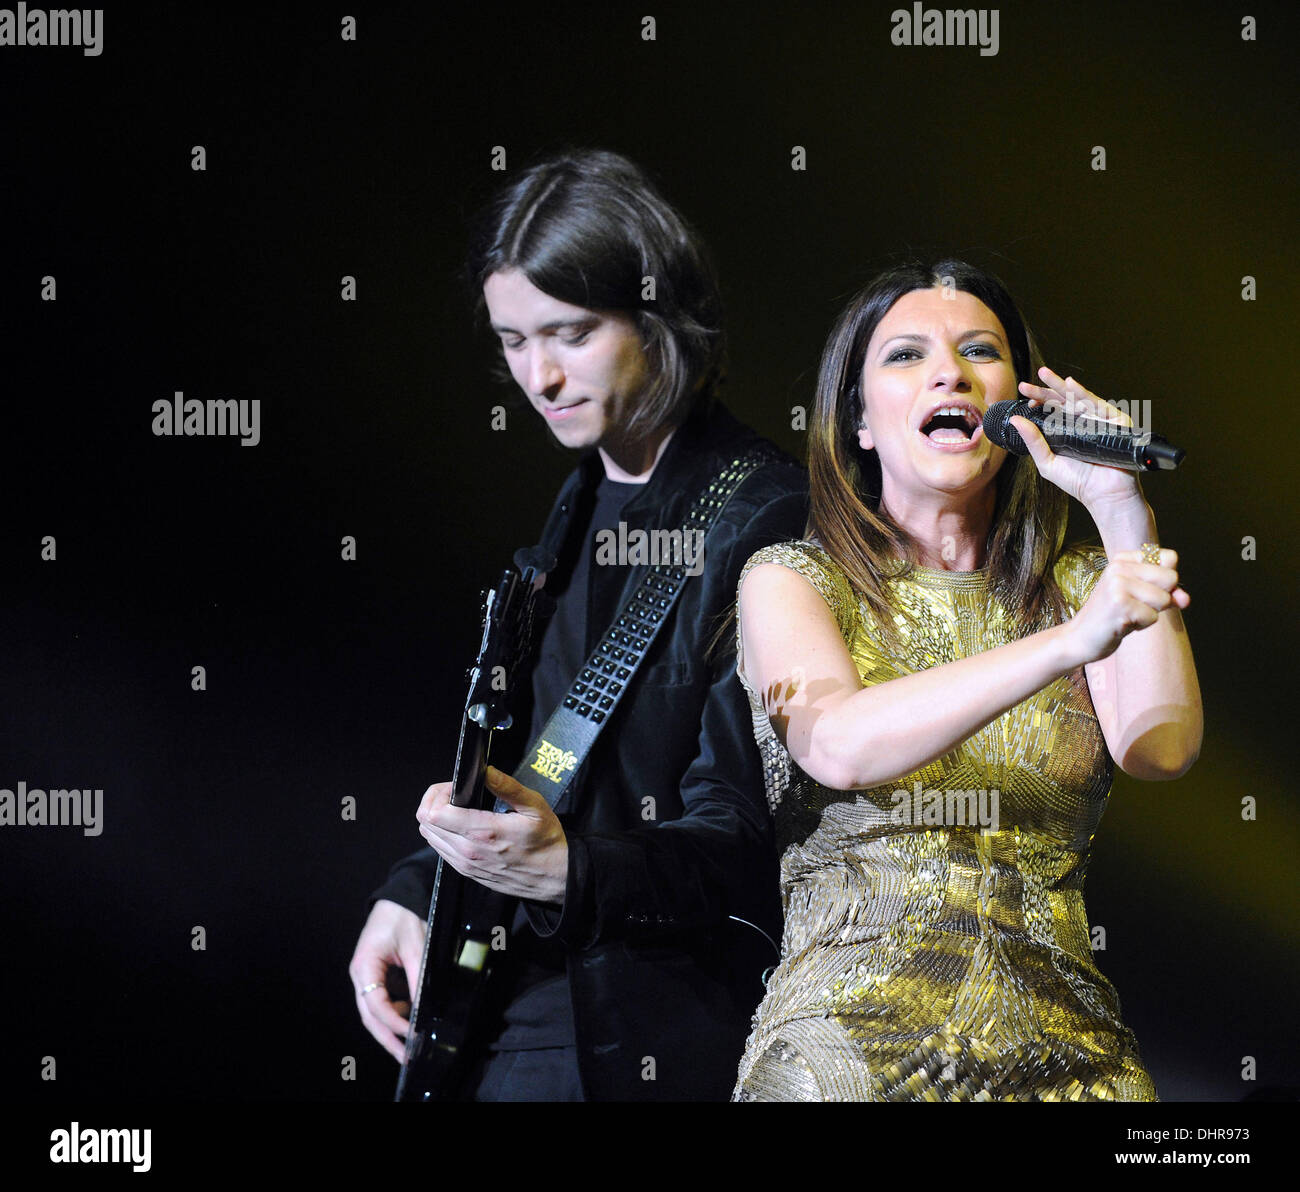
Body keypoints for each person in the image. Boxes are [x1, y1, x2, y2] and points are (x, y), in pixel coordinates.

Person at [348, 149, 807, 1101]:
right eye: (513, 341)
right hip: (499, 1006)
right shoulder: (576, 504)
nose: (539, 376)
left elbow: (748, 838)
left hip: (640, 1026)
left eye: (569, 333)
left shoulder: (760, 510)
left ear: (656, 317)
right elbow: (539, 749)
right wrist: (414, 886)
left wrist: (573, 871)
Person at [731, 260, 1202, 1101]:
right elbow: (838, 744)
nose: (950, 370)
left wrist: (1123, 510)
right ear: (861, 423)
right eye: (907, 356)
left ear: (1017, 407)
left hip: (1071, 1058)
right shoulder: (794, 579)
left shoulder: (1082, 585)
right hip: (850, 1055)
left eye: (980, 351)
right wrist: (1071, 642)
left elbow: (1161, 747)